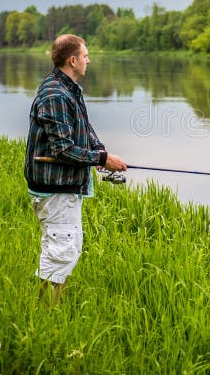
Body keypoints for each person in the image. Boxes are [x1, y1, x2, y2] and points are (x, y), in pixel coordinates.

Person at [24, 34, 127, 303]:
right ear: (72, 59)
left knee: (65, 250)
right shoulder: (56, 95)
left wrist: (101, 153)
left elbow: (85, 131)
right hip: (55, 190)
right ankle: (44, 313)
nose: (88, 60)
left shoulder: (67, 89)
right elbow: (64, 150)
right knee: (61, 253)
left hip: (62, 187)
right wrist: (102, 159)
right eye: (85, 55)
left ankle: (48, 310)